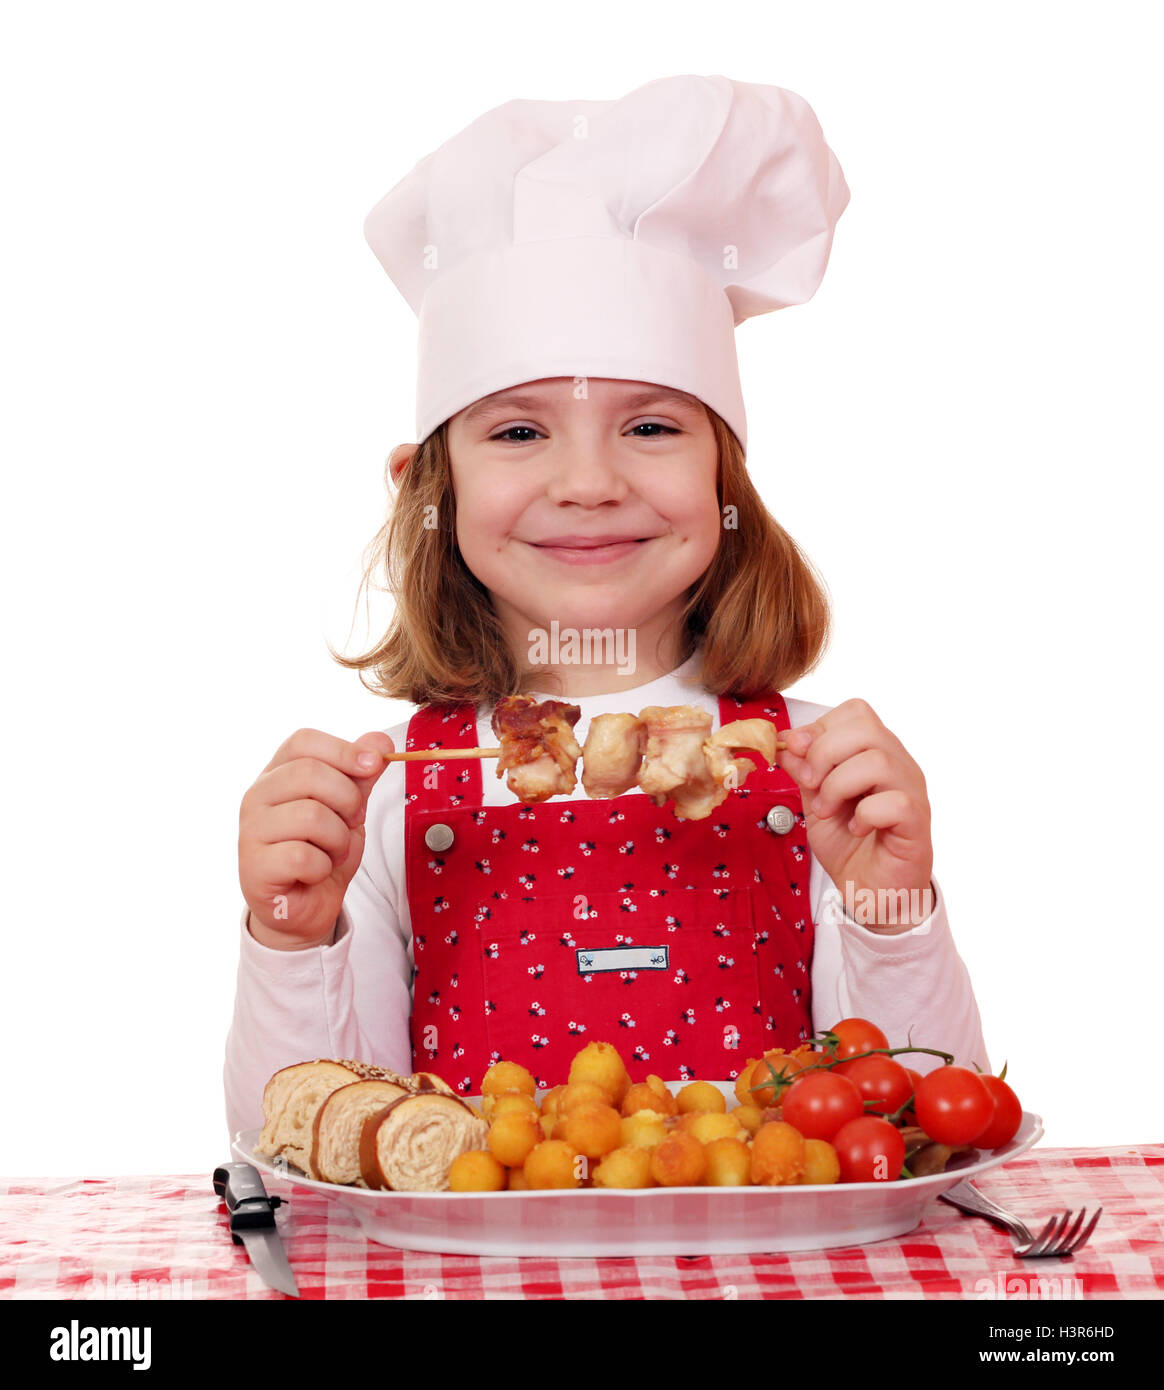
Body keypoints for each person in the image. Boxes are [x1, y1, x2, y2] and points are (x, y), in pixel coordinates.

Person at [225, 75, 988, 1140]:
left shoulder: (815, 774)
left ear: (728, 479)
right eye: (518, 432)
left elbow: (925, 1126)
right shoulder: (391, 800)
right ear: (426, 486)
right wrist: (292, 935)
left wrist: (891, 910)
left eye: (652, 427)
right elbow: (313, 1147)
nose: (588, 483)